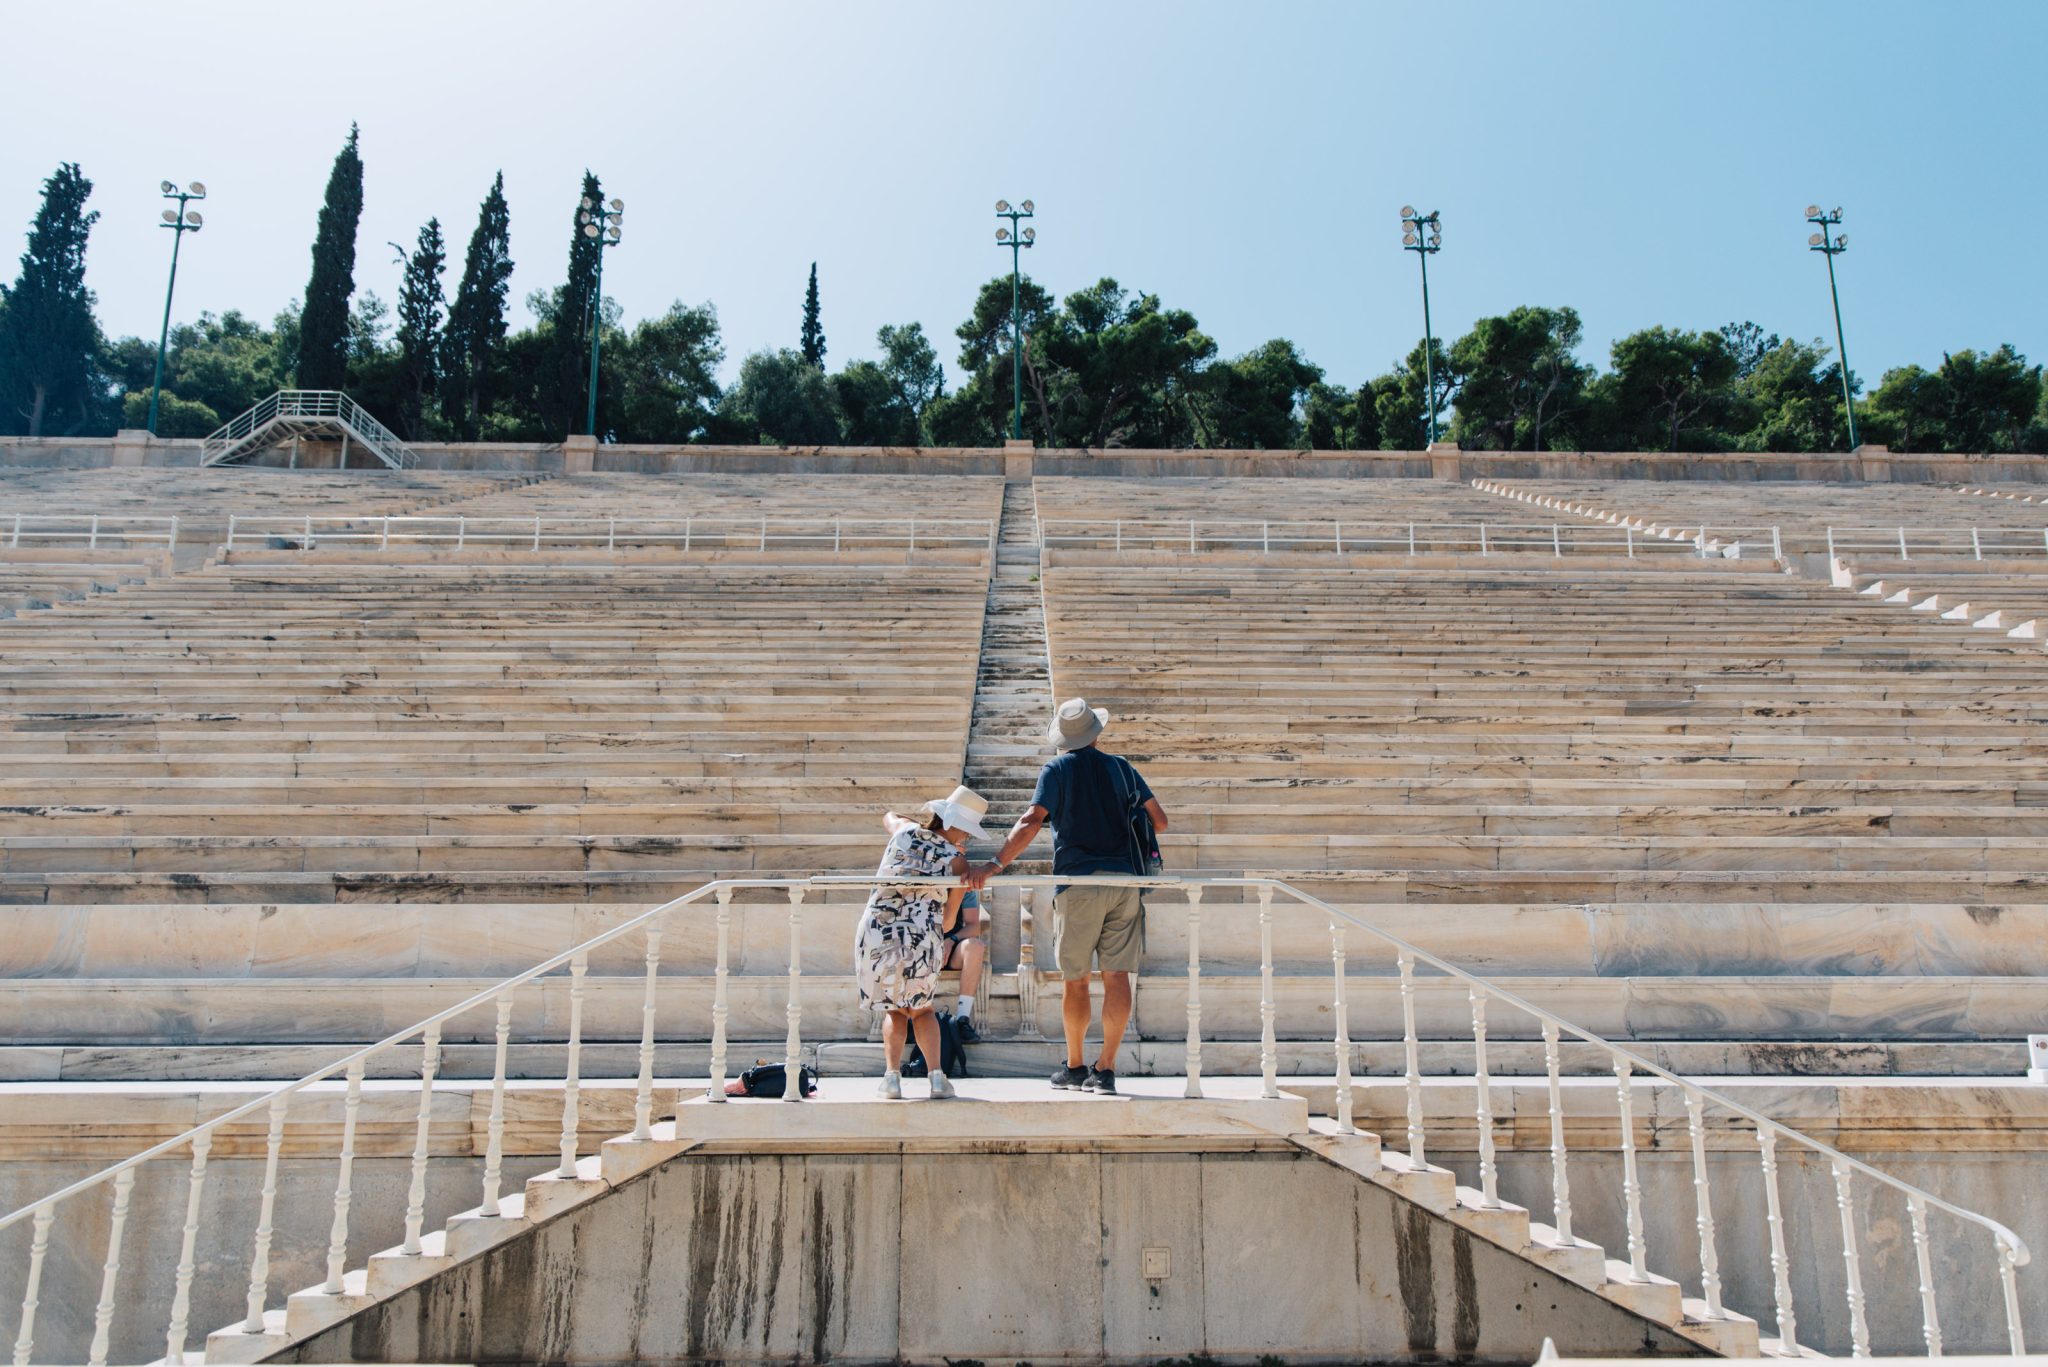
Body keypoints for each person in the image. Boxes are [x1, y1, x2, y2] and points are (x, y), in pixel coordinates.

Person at [967, 698, 1167, 1095]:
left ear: (1064, 738)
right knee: (1117, 977)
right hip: (1125, 883)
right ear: (1096, 733)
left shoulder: (1057, 769)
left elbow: (1030, 821)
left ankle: (1075, 1067)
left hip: (1078, 884)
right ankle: (1106, 1069)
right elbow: (1159, 820)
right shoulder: (1123, 769)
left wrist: (993, 864)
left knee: (1075, 981)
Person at [856, 785, 989, 1099]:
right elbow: (947, 919)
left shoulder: (904, 831)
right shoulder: (957, 862)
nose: (966, 838)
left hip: (878, 930)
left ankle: (891, 1078)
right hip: (921, 935)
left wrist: (916, 825)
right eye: (966, 832)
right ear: (954, 826)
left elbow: (889, 815)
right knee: (923, 1010)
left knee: (894, 1010)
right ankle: (937, 1078)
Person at [943, 888, 989, 1043]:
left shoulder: (963, 885)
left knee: (975, 946)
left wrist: (951, 940)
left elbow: (974, 926)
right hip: (923, 947)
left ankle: (962, 1020)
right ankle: (908, 1019)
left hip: (952, 949)